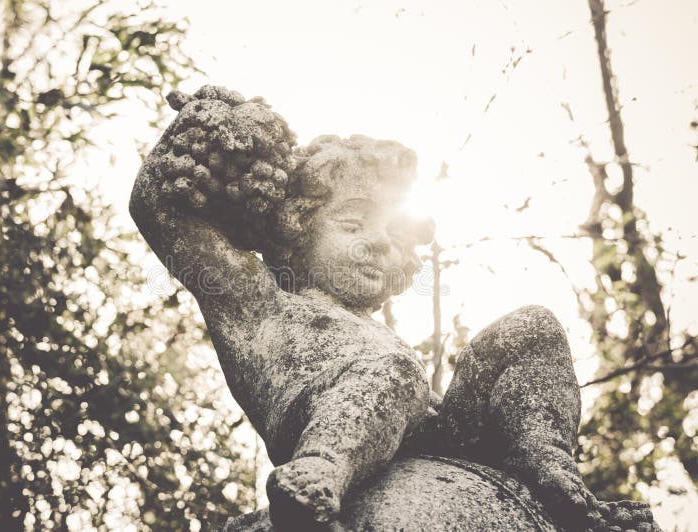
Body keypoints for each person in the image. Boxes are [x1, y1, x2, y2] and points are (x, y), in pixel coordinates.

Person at [130, 87, 658, 531]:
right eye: (354, 224)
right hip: (327, 433)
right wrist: (210, 126)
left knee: (530, 328)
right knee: (400, 371)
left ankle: (546, 464)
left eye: (391, 232)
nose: (380, 244)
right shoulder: (260, 302)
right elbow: (159, 210)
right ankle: (323, 468)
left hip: (436, 439)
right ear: (294, 229)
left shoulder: (374, 328)